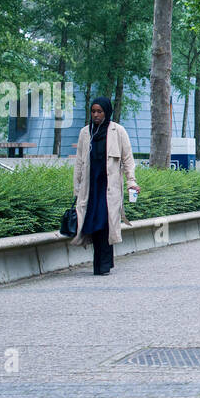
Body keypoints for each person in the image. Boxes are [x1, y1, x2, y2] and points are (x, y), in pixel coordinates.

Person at [71, 96, 139, 276]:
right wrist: (76, 189)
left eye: (99, 111)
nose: (96, 115)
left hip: (109, 188)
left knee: (105, 224)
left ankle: (104, 264)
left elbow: (128, 160)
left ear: (106, 112)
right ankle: (100, 264)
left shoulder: (118, 131)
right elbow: (79, 162)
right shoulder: (85, 133)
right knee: (92, 225)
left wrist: (131, 182)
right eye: (93, 111)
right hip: (90, 189)